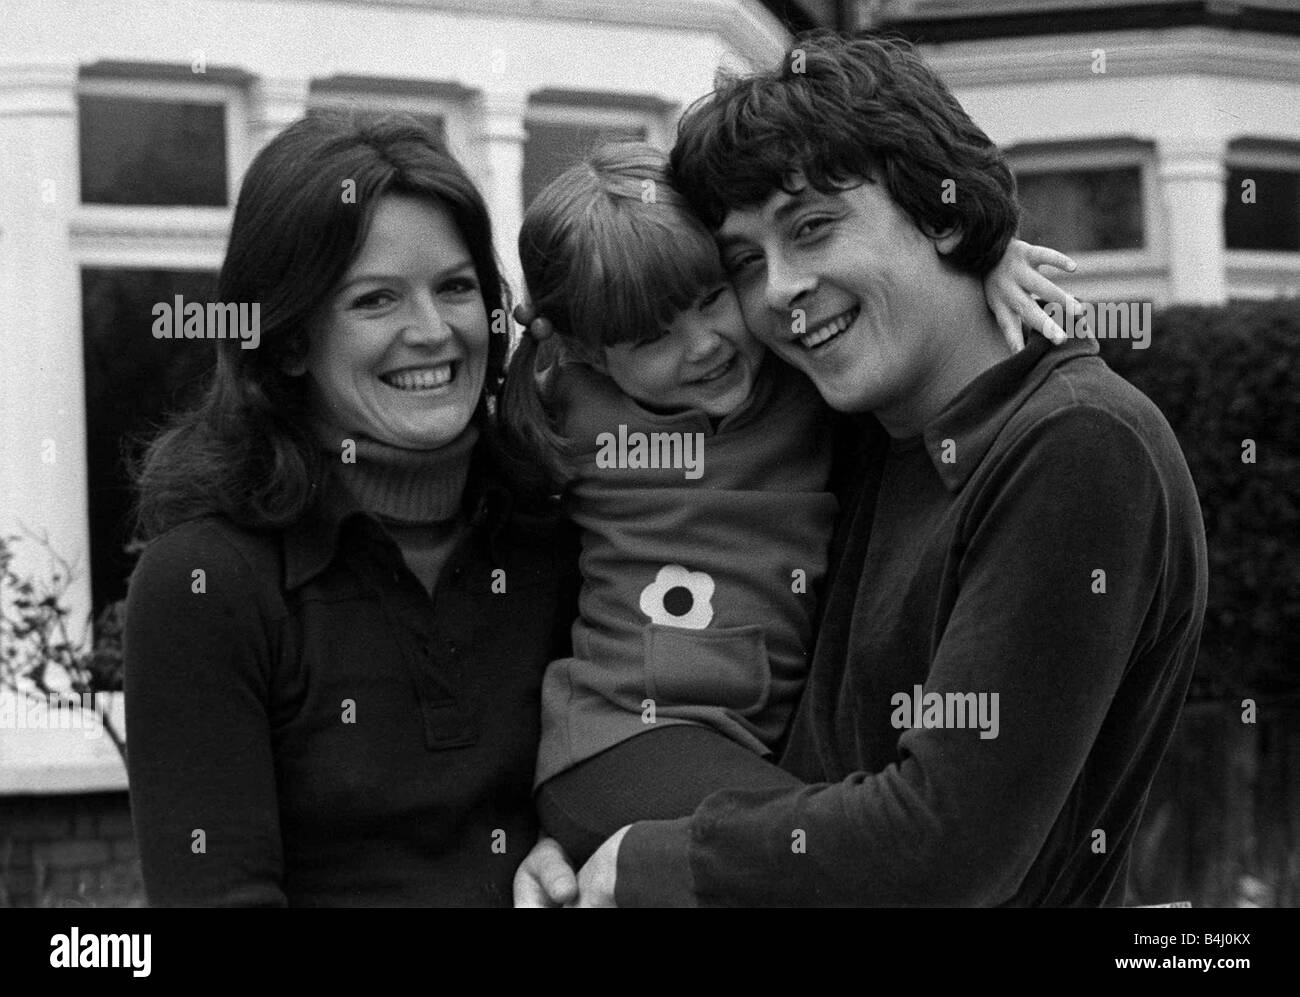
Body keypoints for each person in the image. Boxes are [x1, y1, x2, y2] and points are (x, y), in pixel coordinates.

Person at [516, 31, 1208, 907]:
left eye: (812, 228)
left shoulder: (1074, 445)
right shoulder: (869, 427)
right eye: (742, 263)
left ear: (941, 211)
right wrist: (590, 822)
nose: (777, 292)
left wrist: (647, 860)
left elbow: (945, 846)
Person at [502, 141, 1081, 867]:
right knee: (828, 865)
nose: (704, 344)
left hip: (740, 744)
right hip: (620, 745)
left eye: (712, 298)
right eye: (653, 337)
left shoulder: (797, 377)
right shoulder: (571, 413)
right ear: (590, 351)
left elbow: (901, 307)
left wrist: (984, 259)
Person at [124, 110, 578, 906]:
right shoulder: (205, 585)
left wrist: (581, 838)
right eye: (376, 300)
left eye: (457, 287)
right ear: (291, 340)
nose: (433, 331)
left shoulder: (565, 533)